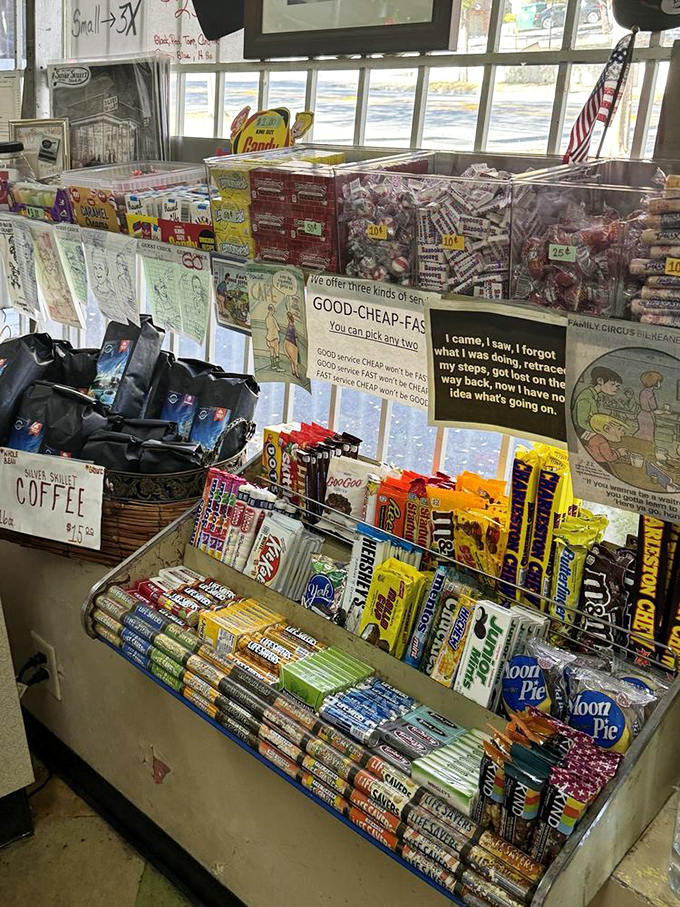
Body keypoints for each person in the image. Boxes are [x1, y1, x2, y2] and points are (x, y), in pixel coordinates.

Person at [572, 366, 623, 439]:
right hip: (580, 431)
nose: (616, 388)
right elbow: (582, 422)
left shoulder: (594, 395)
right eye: (612, 384)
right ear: (600, 381)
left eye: (617, 386)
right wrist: (601, 431)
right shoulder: (586, 398)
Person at [633, 371, 663, 442]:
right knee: (648, 433)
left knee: (642, 431)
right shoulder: (650, 394)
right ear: (654, 382)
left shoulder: (643, 391)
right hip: (648, 416)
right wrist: (665, 412)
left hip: (641, 414)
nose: (660, 384)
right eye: (659, 382)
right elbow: (654, 410)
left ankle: (633, 441)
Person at [265, 304, 282, 372]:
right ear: (271, 310)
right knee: (277, 352)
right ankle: (278, 367)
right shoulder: (273, 318)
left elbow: (268, 327)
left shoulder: (266, 318)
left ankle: (272, 365)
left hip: (268, 338)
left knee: (271, 352)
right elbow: (278, 328)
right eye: (273, 311)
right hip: (274, 337)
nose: (273, 312)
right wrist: (278, 327)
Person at [284, 309, 300, 379]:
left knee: (291, 359)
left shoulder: (289, 325)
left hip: (287, 342)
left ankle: (294, 371)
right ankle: (296, 373)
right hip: (291, 343)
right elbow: (295, 337)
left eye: (287, 317)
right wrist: (297, 346)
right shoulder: (292, 326)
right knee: (294, 359)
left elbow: (288, 334)